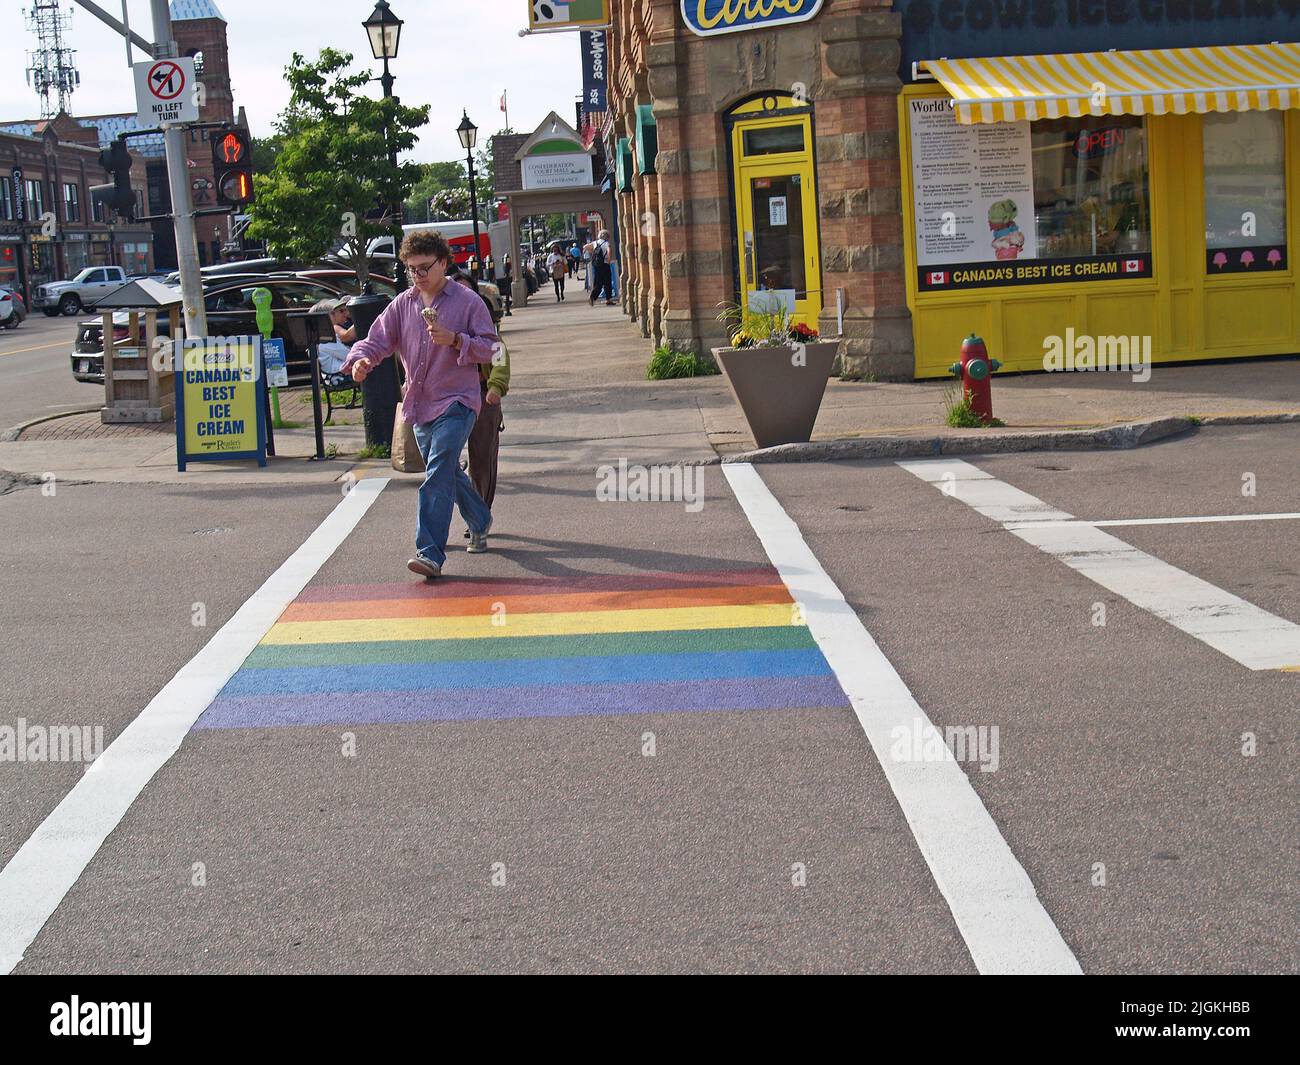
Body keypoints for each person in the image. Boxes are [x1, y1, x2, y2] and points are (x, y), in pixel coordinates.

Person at [343, 230, 498, 578]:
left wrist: (457, 340)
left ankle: (429, 552)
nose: (419, 275)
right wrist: (360, 361)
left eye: (425, 267)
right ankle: (480, 518)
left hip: (459, 401)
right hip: (419, 405)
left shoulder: (468, 302)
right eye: (412, 269)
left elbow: (492, 348)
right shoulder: (403, 305)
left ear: (444, 263)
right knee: (446, 472)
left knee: (438, 468)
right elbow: (375, 341)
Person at [449, 265, 510, 514]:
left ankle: (479, 512)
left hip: (482, 395)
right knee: (441, 462)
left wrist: (496, 387)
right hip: (447, 397)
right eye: (456, 293)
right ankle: (453, 512)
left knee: (482, 459)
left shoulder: (483, 327)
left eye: (467, 293)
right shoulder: (438, 327)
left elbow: (499, 356)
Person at [586, 229, 616, 306]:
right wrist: (608, 259)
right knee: (607, 282)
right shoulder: (606, 243)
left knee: (598, 282)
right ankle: (608, 299)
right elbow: (609, 250)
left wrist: (592, 251)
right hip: (605, 264)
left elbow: (585, 247)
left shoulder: (595, 243)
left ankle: (592, 297)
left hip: (597, 265)